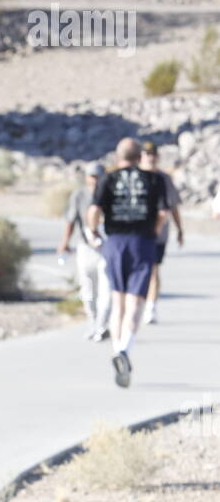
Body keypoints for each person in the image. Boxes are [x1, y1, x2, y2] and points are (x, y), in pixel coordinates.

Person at [86, 137, 168, 388]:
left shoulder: (108, 179)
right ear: (139, 155)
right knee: (136, 302)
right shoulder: (153, 179)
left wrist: (95, 233)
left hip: (115, 242)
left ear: (118, 155)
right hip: (142, 242)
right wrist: (153, 231)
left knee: (117, 299)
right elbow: (163, 213)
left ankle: (115, 350)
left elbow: (93, 212)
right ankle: (124, 348)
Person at [57, 161, 111, 341]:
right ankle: (93, 322)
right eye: (92, 176)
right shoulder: (79, 196)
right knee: (88, 288)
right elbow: (71, 220)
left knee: (106, 289)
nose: (95, 180)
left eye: (99, 177)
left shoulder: (111, 195)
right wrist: (65, 242)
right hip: (85, 247)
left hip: (106, 247)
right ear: (87, 178)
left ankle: (102, 326)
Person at [139, 140, 183, 324]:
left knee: (153, 269)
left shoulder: (164, 179)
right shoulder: (135, 177)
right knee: (139, 270)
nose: (151, 157)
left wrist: (180, 229)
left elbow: (172, 206)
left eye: (153, 154)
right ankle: (138, 303)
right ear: (141, 156)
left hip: (159, 233)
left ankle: (150, 307)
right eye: (147, 154)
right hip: (137, 230)